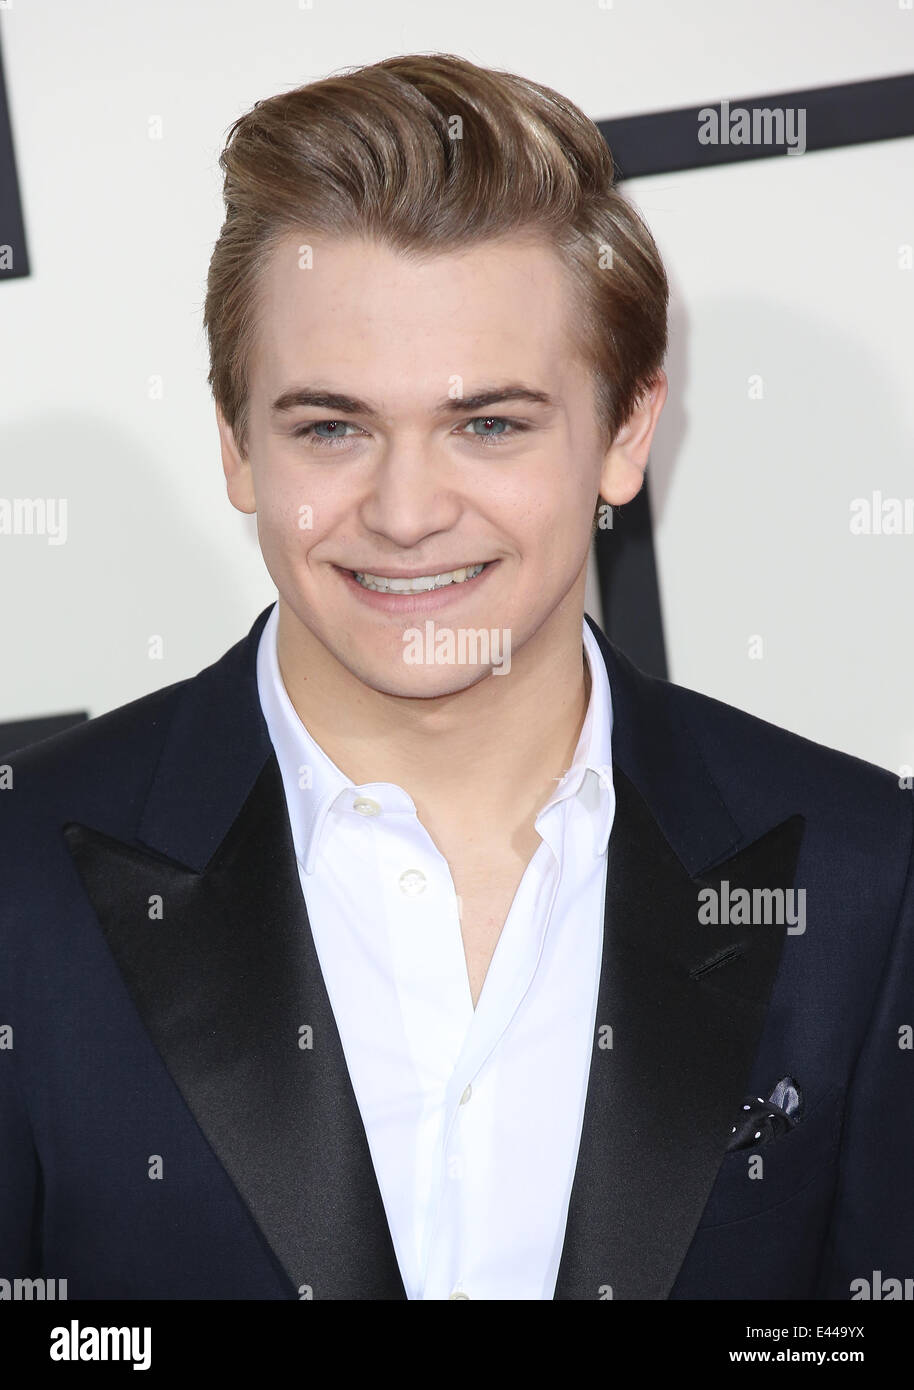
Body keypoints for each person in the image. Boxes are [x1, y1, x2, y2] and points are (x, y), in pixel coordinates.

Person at [1, 52, 911, 1302]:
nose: (407, 510)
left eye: (487, 424)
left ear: (627, 431)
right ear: (234, 444)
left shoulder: (862, 880)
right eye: (331, 426)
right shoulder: (19, 890)